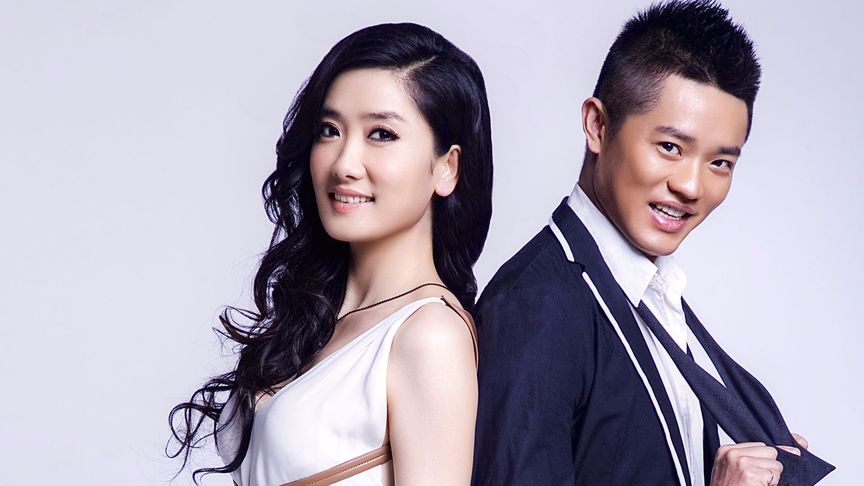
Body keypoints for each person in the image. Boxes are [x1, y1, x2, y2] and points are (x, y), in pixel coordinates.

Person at [471, 2, 833, 486]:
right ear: (598, 125)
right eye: (670, 147)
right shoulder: (536, 306)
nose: (691, 186)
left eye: (720, 163)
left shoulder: (653, 297)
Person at [168, 22, 493, 485]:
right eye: (329, 130)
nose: (343, 164)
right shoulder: (316, 317)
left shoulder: (429, 336)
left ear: (446, 168)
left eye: (381, 134)